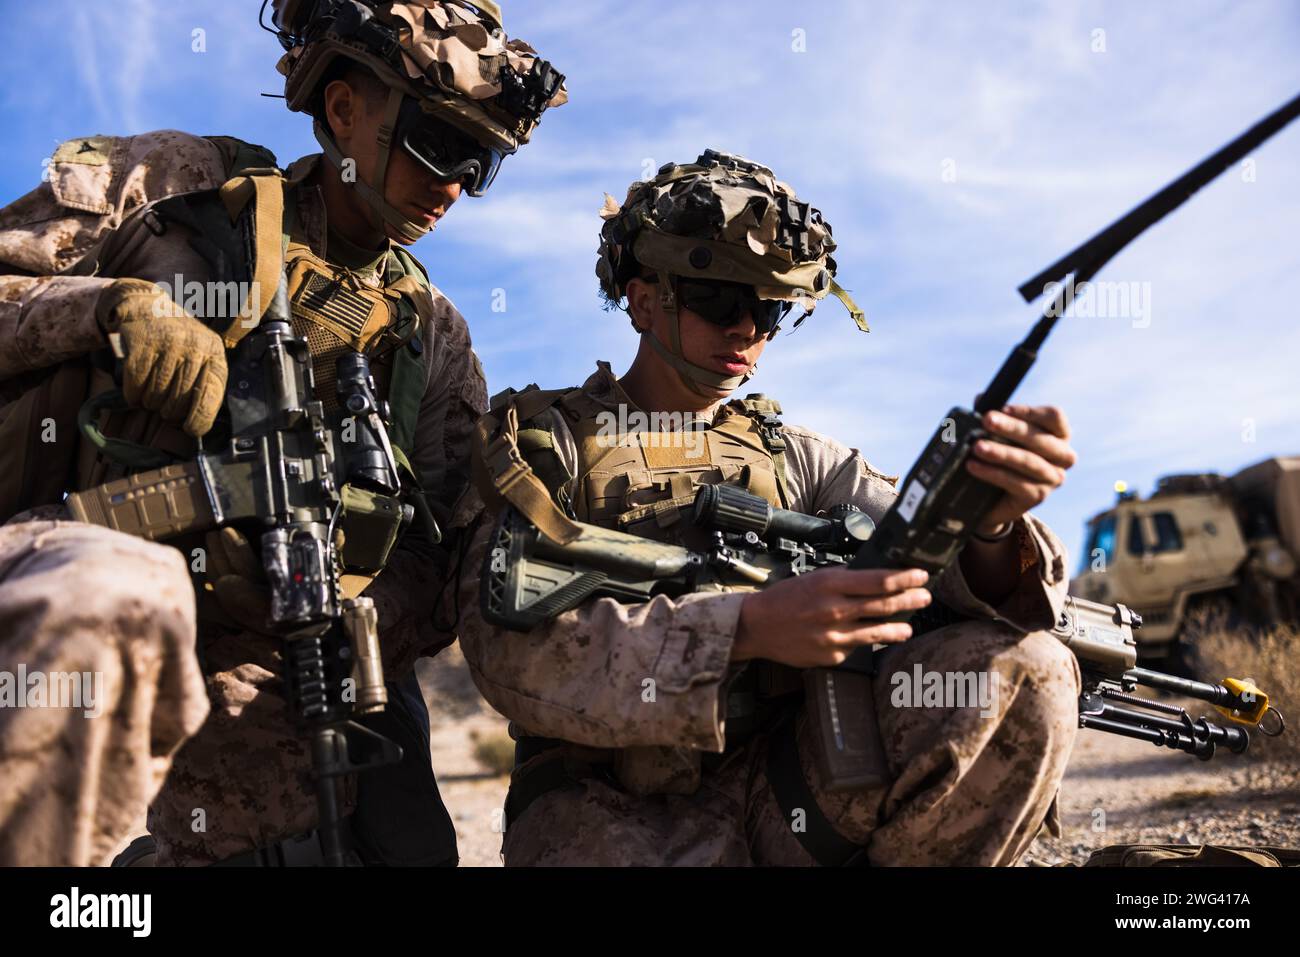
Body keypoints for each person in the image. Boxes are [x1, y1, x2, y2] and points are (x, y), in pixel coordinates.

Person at [0, 0, 565, 866]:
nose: (454, 184)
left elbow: (444, 545)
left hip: (314, 669)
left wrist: (362, 617)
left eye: (480, 162)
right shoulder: (171, 190)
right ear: (344, 112)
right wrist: (108, 309)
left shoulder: (431, 333)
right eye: (438, 144)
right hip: (90, 597)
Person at [456, 150, 1082, 866]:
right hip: (602, 803)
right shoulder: (550, 444)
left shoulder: (802, 458)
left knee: (1031, 668)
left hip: (784, 785)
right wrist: (744, 628)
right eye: (720, 299)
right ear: (642, 299)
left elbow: (922, 563)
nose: (746, 330)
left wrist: (992, 528)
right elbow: (508, 653)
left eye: (770, 308)